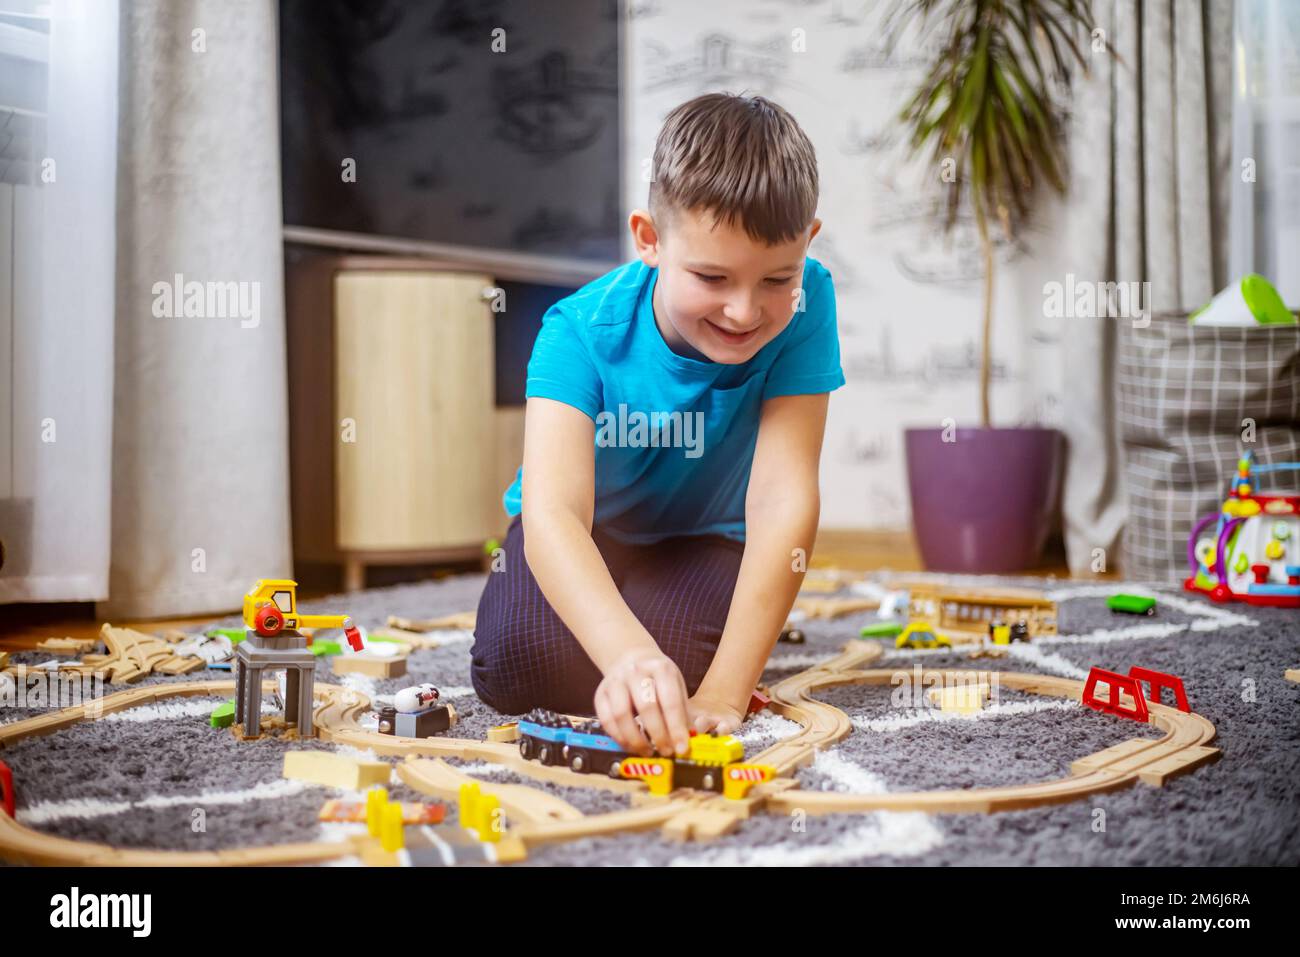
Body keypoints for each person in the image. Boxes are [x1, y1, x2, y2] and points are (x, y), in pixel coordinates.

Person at [471, 92, 844, 758]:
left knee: (683, 668)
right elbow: (554, 512)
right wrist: (626, 654)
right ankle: (634, 634)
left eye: (775, 279)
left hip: (703, 540)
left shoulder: (810, 300)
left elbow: (783, 498)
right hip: (590, 532)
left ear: (807, 245)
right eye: (711, 275)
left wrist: (727, 694)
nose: (743, 310)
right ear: (648, 239)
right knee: (510, 666)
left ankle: (662, 638)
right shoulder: (578, 331)